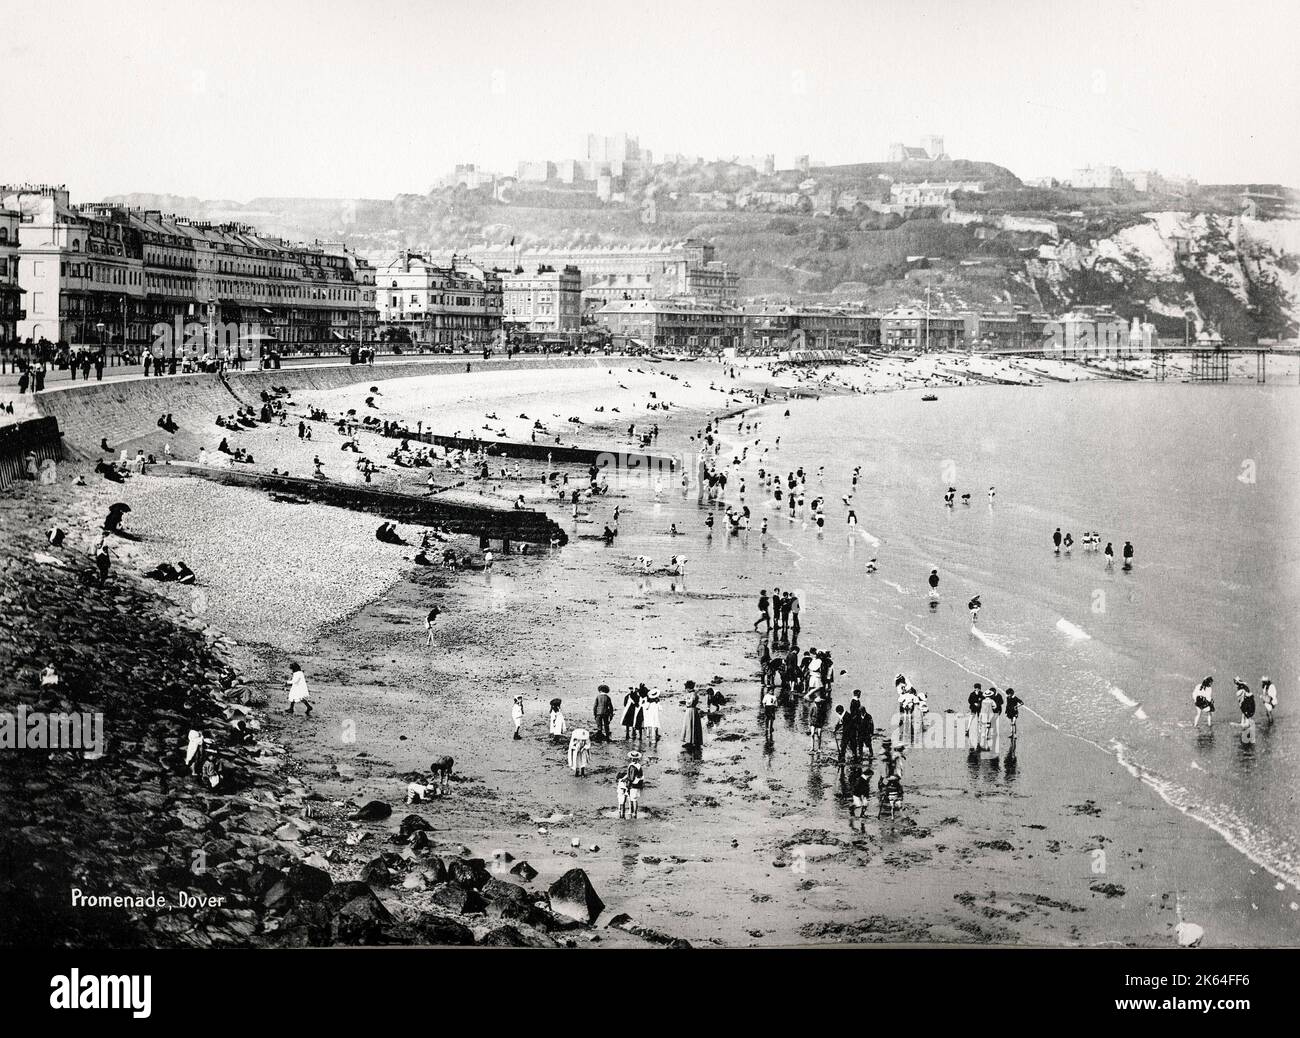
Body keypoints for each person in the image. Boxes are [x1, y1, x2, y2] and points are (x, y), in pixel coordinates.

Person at [680, 681, 704, 751]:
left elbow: (690, 703)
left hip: (691, 710)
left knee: (691, 725)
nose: (686, 689)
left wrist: (686, 701)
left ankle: (692, 742)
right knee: (689, 725)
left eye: (686, 688)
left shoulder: (693, 694)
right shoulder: (691, 694)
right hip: (690, 710)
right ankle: (690, 740)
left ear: (688, 688)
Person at [625, 751, 645, 819]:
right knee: (634, 799)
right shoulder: (639, 765)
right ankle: (633, 812)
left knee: (632, 799)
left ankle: (633, 813)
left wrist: (627, 781)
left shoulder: (632, 766)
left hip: (633, 784)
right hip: (638, 784)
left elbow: (631, 777)